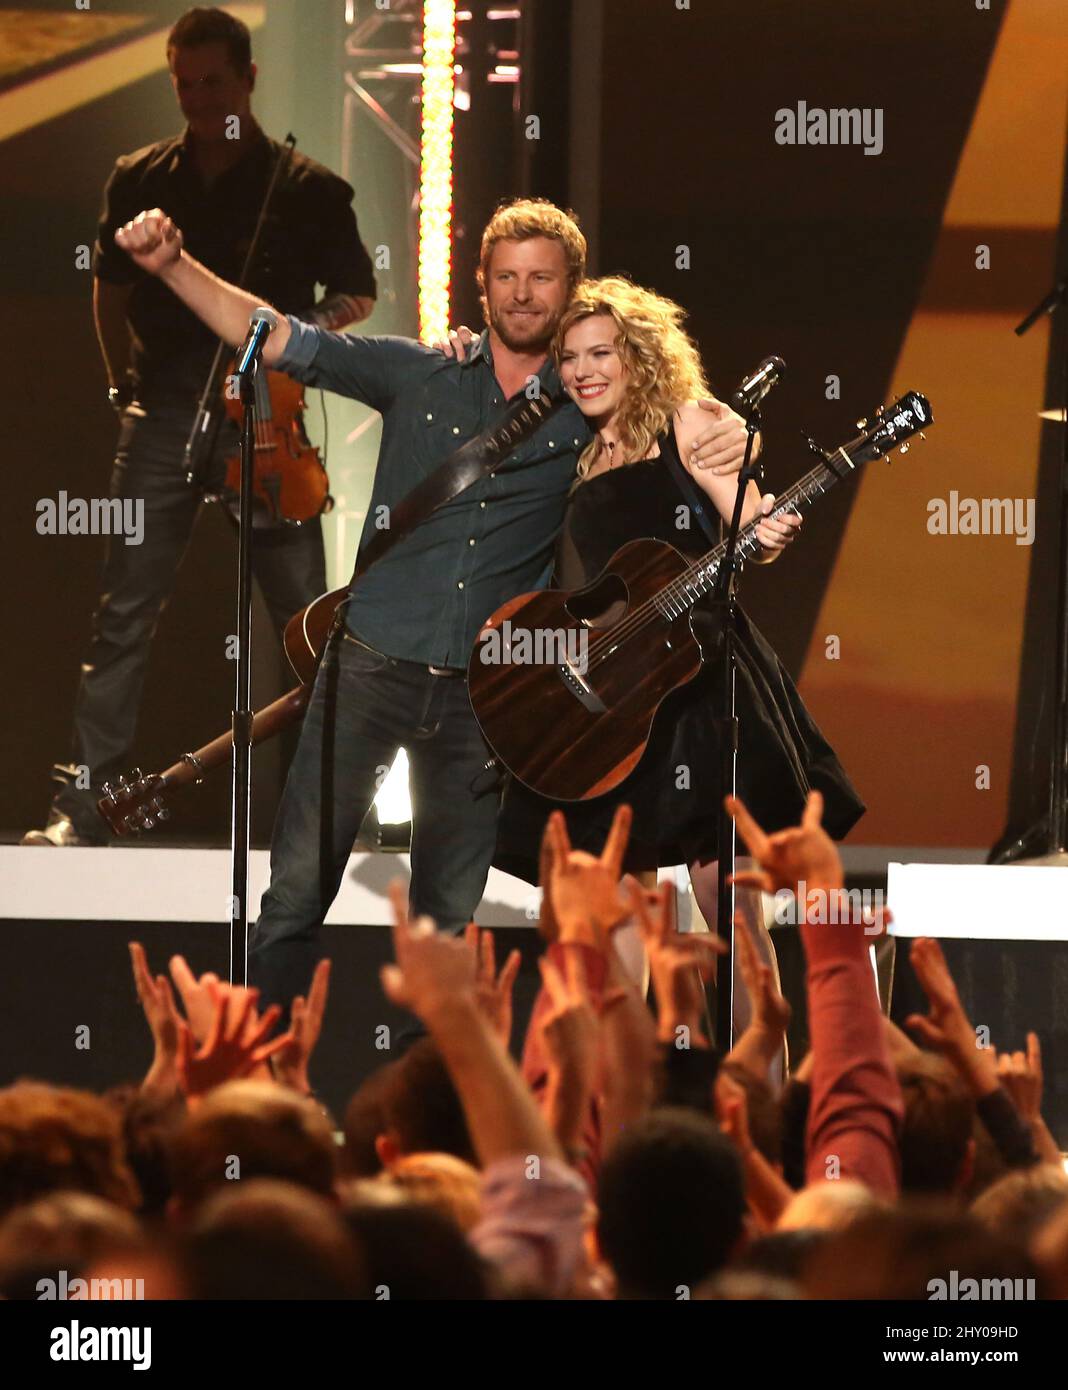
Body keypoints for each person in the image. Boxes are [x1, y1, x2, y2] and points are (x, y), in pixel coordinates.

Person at [99, 197, 753, 1016]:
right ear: (480, 286)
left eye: (541, 279)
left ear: (571, 289)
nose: (522, 294)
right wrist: (168, 266)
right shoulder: (417, 370)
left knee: (448, 927)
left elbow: (673, 409)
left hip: (487, 697)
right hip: (367, 667)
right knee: (295, 893)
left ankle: (424, 1113)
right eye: (506, 277)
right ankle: (255, 1089)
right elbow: (273, 332)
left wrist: (719, 425)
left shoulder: (587, 398)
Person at [23, 6, 377, 847]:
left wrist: (297, 334)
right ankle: (87, 807)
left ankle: (320, 814)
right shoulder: (139, 176)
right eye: (183, 83)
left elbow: (358, 294)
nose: (196, 97)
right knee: (124, 613)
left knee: (306, 622)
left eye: (211, 81)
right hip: (163, 412)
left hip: (266, 419)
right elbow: (108, 288)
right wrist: (122, 384)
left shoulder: (308, 188)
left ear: (249, 79)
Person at [491, 277, 865, 960]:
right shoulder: (575, 458)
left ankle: (755, 1065)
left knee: (731, 909)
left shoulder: (687, 421)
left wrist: (771, 525)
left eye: (601, 353)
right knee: (615, 909)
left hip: (698, 677)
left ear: (639, 357)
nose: (582, 371)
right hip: (616, 696)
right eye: (570, 357)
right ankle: (635, 1065)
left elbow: (750, 520)